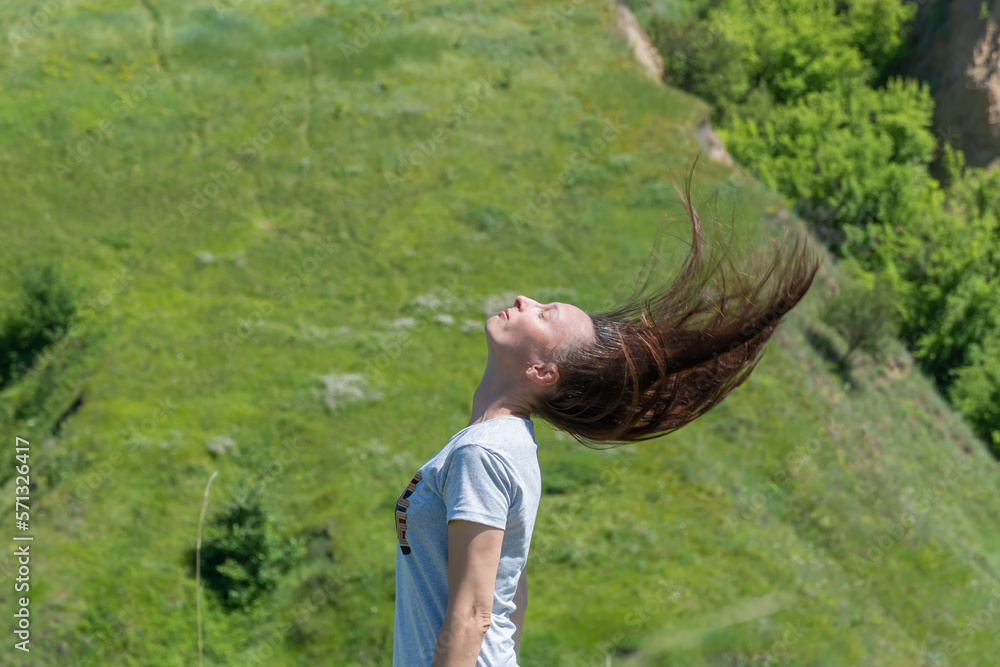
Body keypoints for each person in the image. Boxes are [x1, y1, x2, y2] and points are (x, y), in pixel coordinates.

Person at [391, 171, 823, 666]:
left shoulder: (483, 453)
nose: (523, 301)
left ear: (541, 370)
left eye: (543, 313)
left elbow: (473, 614)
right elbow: (514, 591)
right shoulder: (503, 445)